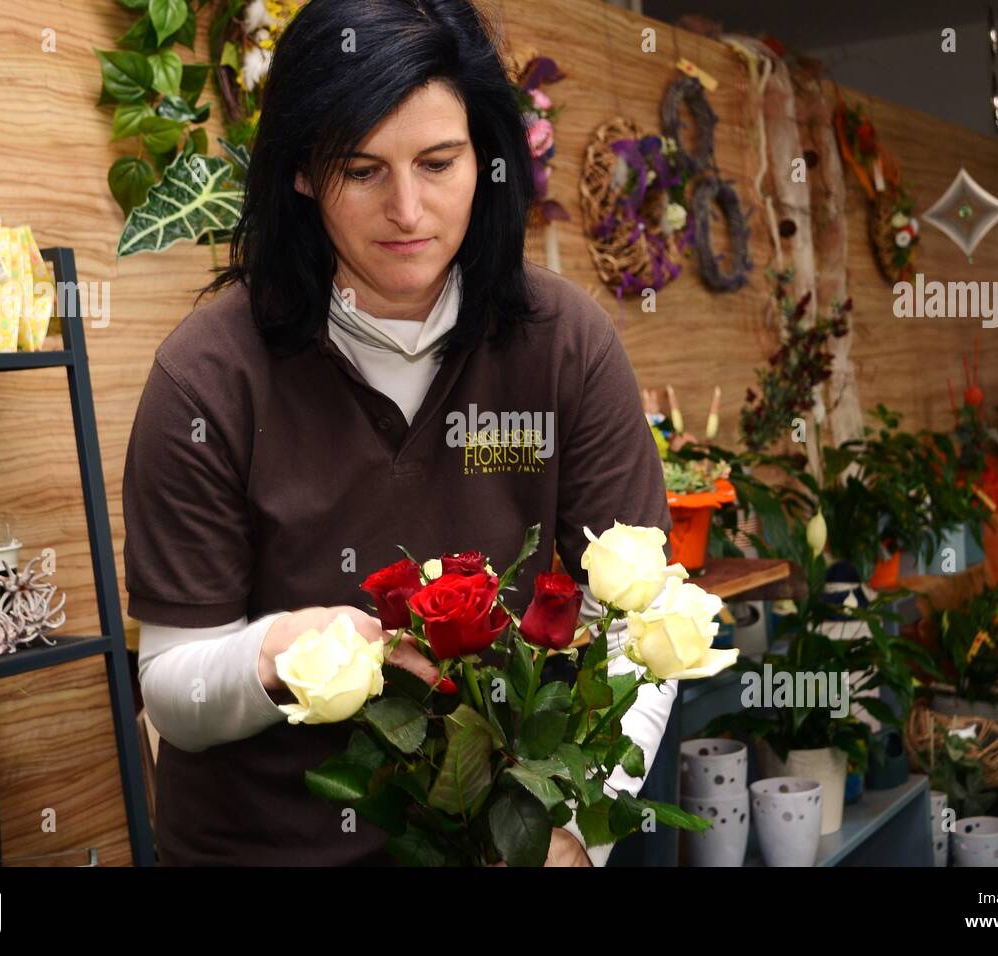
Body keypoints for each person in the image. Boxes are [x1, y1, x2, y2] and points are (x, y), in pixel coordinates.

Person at [122, 0, 675, 866]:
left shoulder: (564, 346)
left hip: (488, 845)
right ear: (304, 172)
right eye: (362, 169)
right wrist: (281, 653)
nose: (408, 209)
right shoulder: (209, 375)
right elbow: (171, 690)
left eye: (438, 162)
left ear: (485, 160)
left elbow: (638, 624)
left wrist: (568, 827)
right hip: (261, 848)